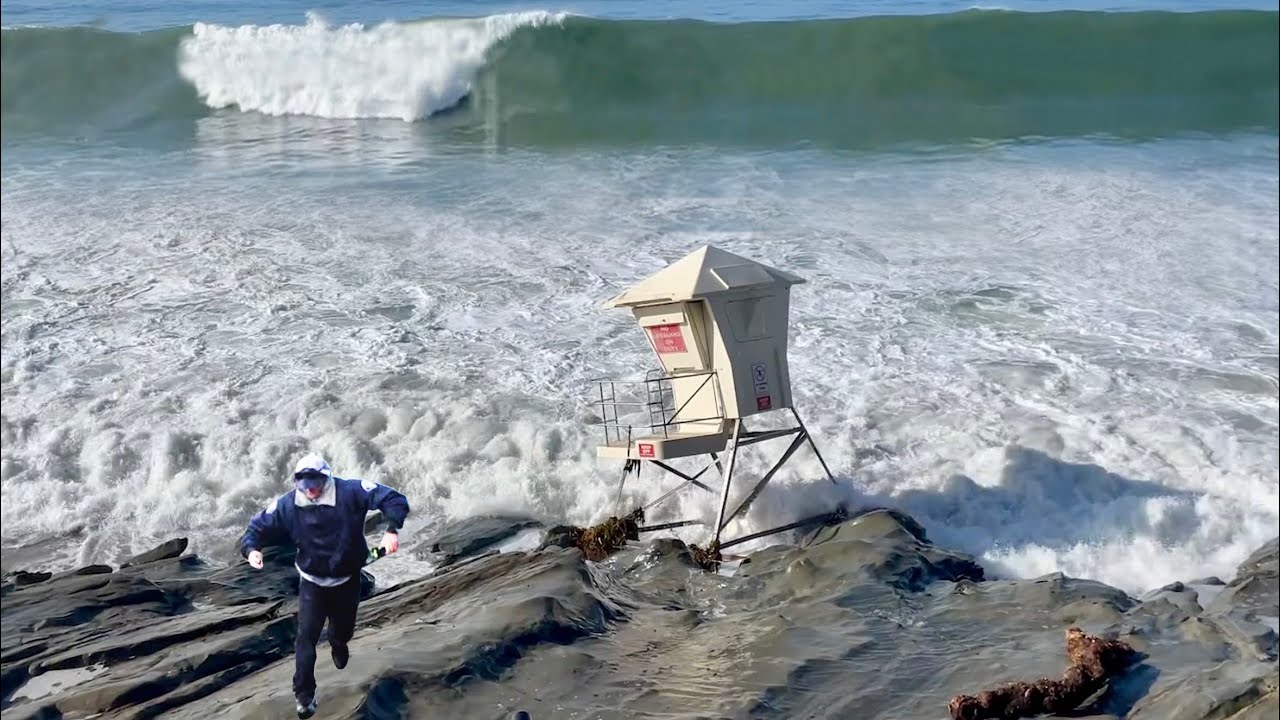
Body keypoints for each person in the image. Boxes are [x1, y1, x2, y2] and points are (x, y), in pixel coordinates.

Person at [240, 453, 410, 718]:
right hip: (312, 583)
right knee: (305, 639)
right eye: (303, 484)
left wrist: (391, 529)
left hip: (348, 579)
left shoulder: (352, 491)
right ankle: (304, 697)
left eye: (315, 483)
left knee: (342, 632)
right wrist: (252, 550)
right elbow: (256, 527)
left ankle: (338, 642)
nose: (310, 490)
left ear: (327, 478)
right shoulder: (287, 505)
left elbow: (393, 498)